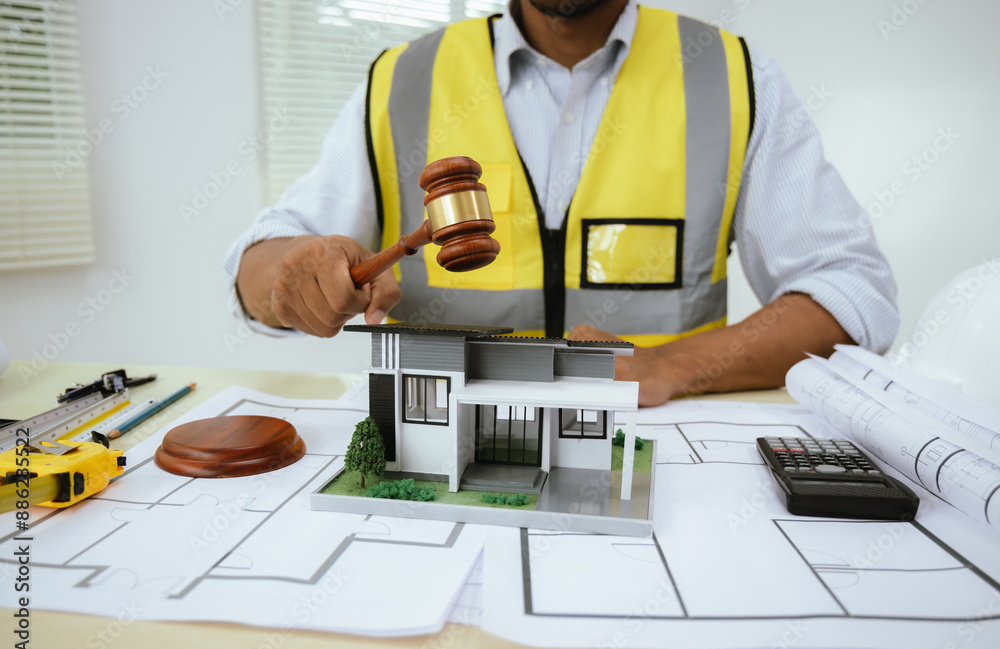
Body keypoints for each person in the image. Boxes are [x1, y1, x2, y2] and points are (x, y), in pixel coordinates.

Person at [224, 0, 898, 406]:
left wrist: (673, 366)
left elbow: (852, 292)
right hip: (438, 461)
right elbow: (261, 268)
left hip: (659, 461)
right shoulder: (402, 79)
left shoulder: (732, 78)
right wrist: (292, 275)